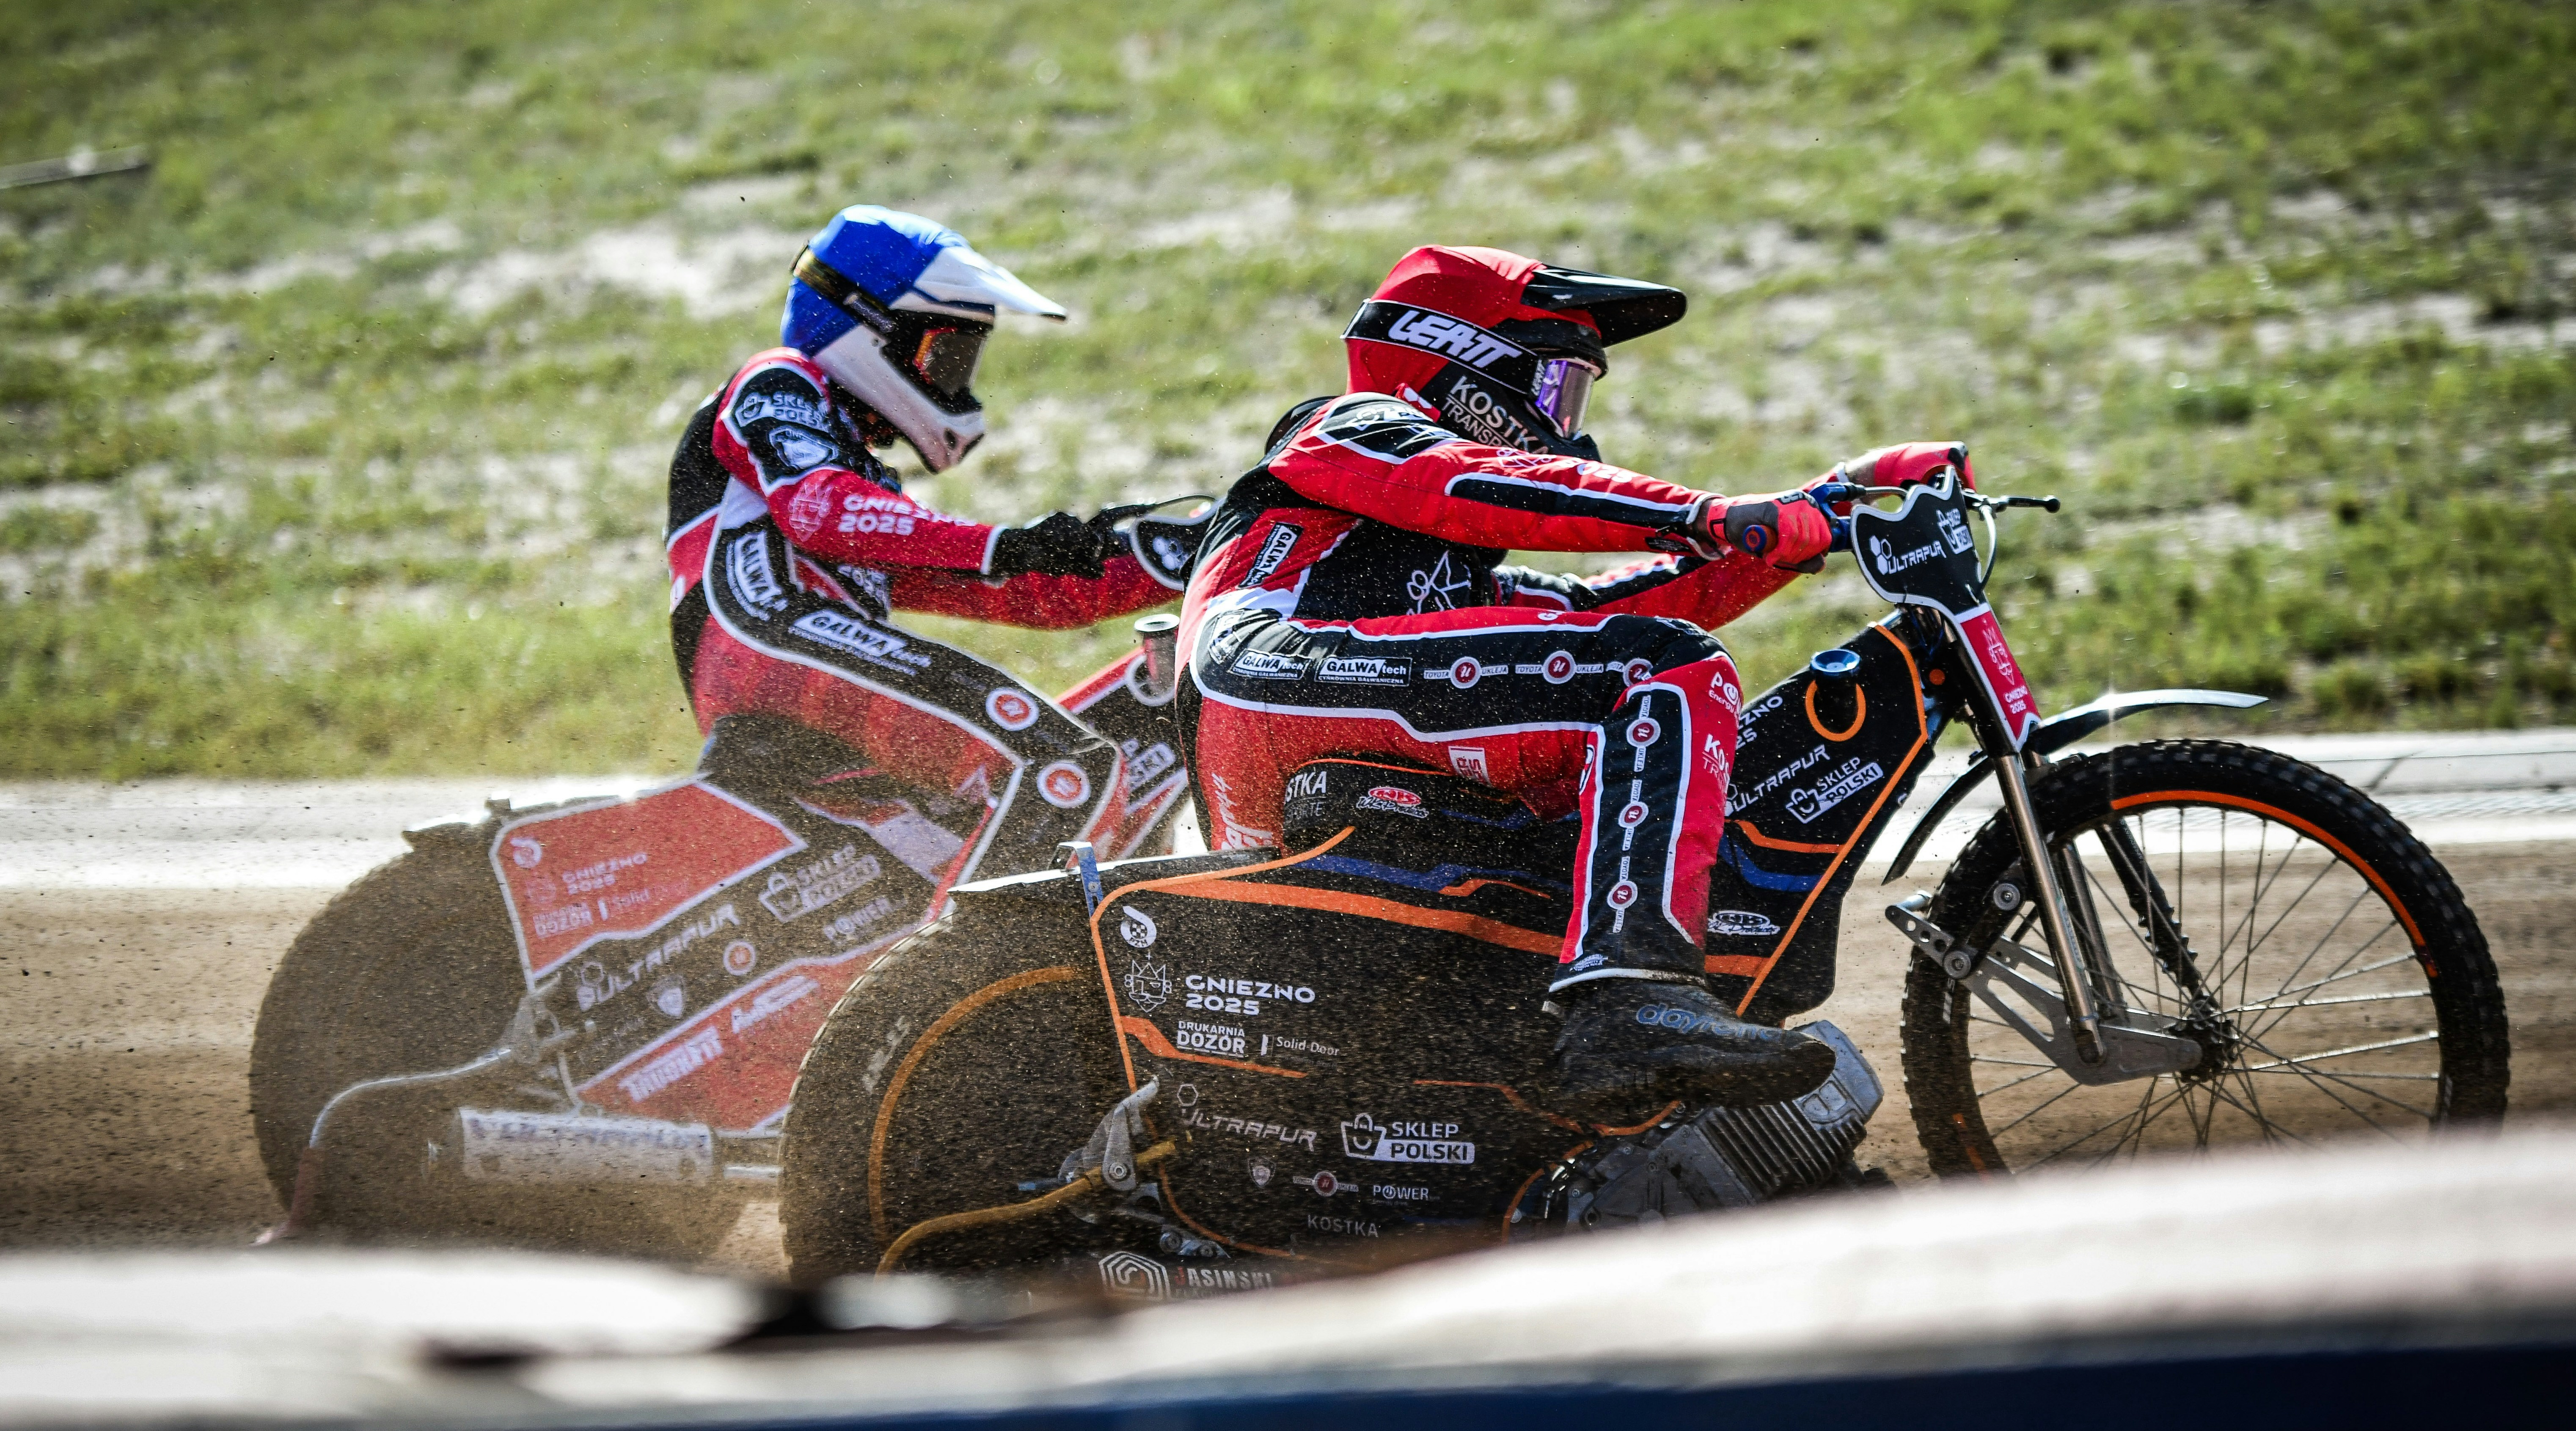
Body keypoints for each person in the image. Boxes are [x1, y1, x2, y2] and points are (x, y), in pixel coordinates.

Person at [1174, 244, 1968, 1122]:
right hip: (1273, 673)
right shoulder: (1348, 424)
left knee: (1625, 670)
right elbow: (1472, 481)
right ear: (1468, 366)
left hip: (1318, 705)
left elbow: (1623, 595)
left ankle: (1574, 1016)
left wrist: (1832, 503)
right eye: (1557, 386)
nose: (1569, 419)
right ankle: (1631, 993)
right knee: (1663, 666)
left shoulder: (1444, 570)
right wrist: (1707, 511)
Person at [666, 205, 1193, 883]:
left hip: (788, 658)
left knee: (982, 824)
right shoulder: (780, 381)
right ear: (873, 328)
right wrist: (1011, 544)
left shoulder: (860, 480)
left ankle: (950, 954)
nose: (956, 376)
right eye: (946, 352)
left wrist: (1198, 550)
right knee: (1065, 770)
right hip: (766, 633)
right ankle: (953, 973)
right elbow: (822, 513)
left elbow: (1010, 591)